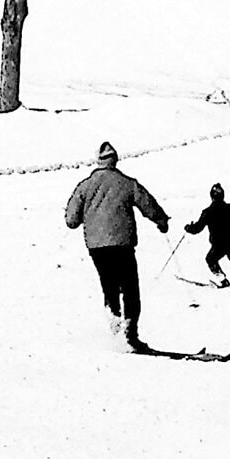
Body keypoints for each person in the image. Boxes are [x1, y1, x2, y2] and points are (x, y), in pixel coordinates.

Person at [64, 142, 170, 352]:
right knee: (130, 289)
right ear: (115, 160)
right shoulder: (127, 183)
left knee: (109, 286)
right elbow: (148, 204)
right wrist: (161, 221)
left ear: (98, 161)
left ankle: (115, 333)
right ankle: (130, 336)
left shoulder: (84, 186)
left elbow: (71, 221)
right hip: (123, 244)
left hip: (97, 247)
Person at [184, 183, 230, 286]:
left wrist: (189, 228)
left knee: (210, 260)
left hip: (220, 244)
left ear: (211, 196)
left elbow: (197, 229)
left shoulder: (208, 212)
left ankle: (223, 281)